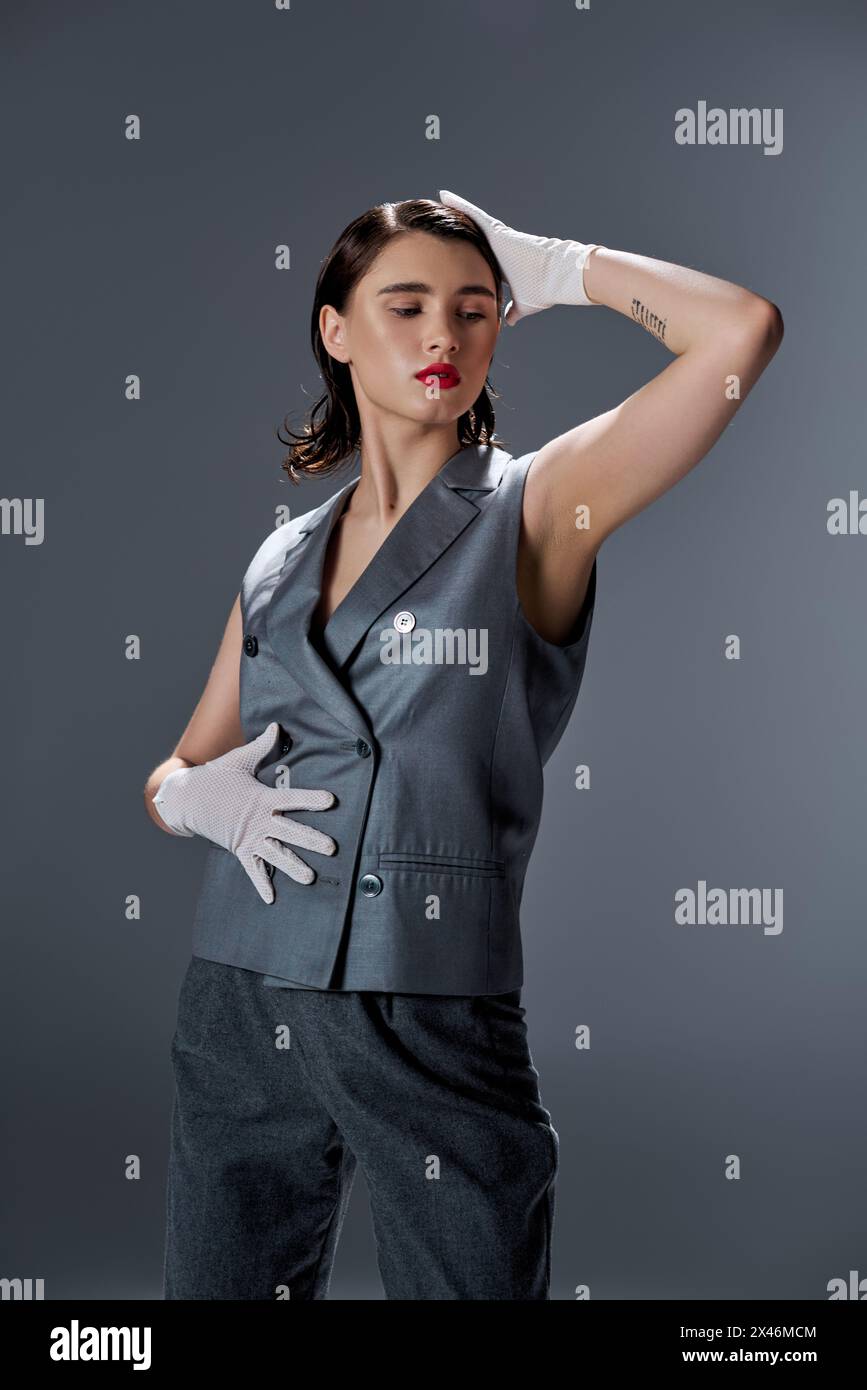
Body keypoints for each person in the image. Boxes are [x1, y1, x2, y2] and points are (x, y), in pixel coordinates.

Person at [144, 191, 783, 1300]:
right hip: (241, 990)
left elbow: (739, 334)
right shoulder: (277, 561)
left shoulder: (537, 508)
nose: (444, 336)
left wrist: (561, 264)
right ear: (336, 332)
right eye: (406, 306)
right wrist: (200, 804)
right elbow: (175, 771)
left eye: (476, 307)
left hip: (427, 990)